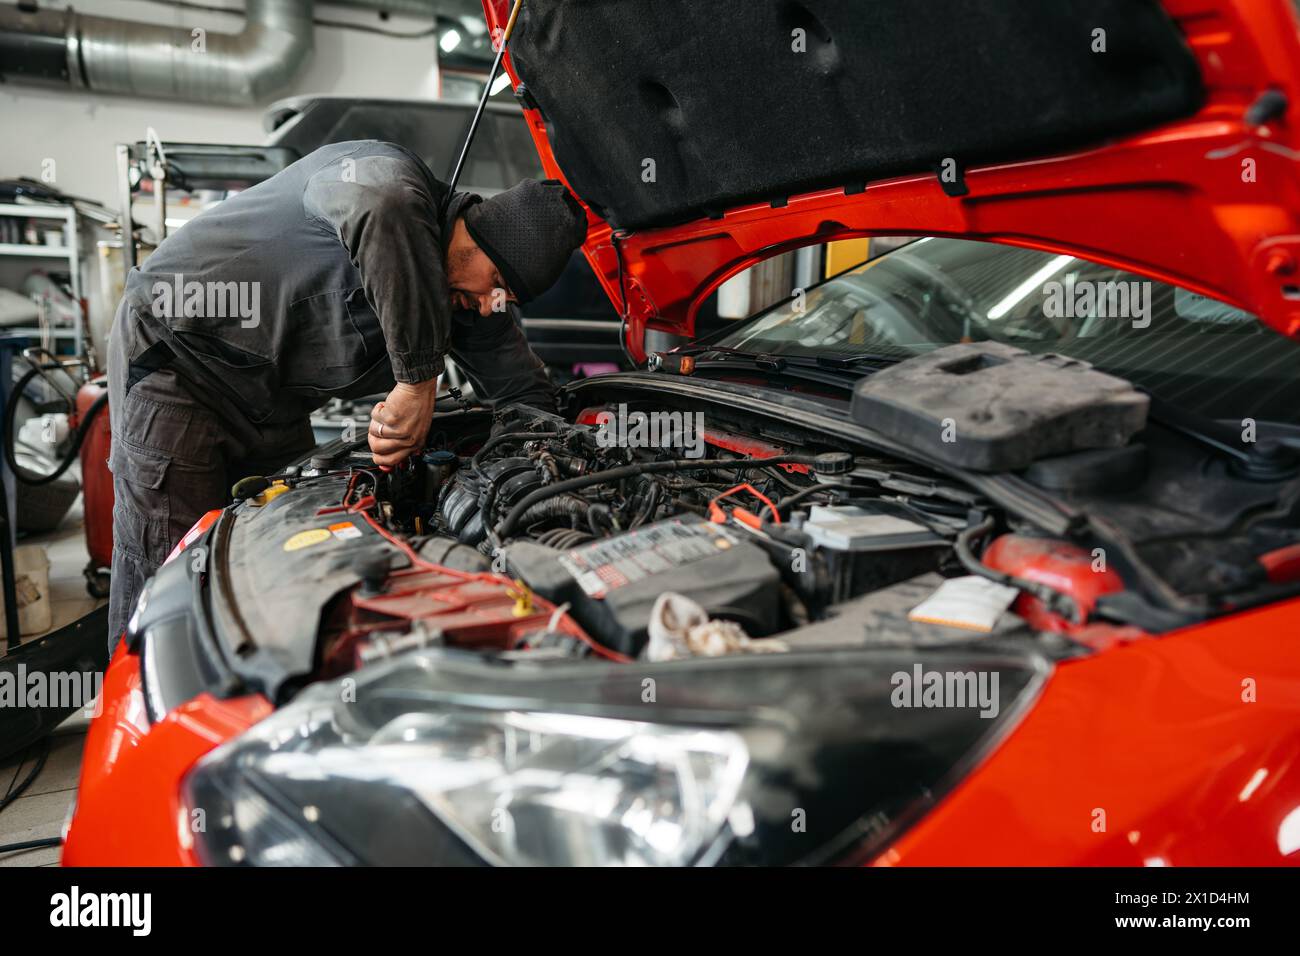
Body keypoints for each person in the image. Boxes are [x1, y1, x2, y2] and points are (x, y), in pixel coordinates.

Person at [105, 139, 588, 648]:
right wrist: (418, 381)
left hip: (272, 404)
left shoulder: (469, 299)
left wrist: (568, 451)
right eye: (493, 281)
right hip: (178, 364)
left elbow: (522, 388)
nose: (488, 301)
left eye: (503, 297)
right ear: (476, 232)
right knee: (166, 574)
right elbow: (379, 205)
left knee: (279, 557)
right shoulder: (392, 180)